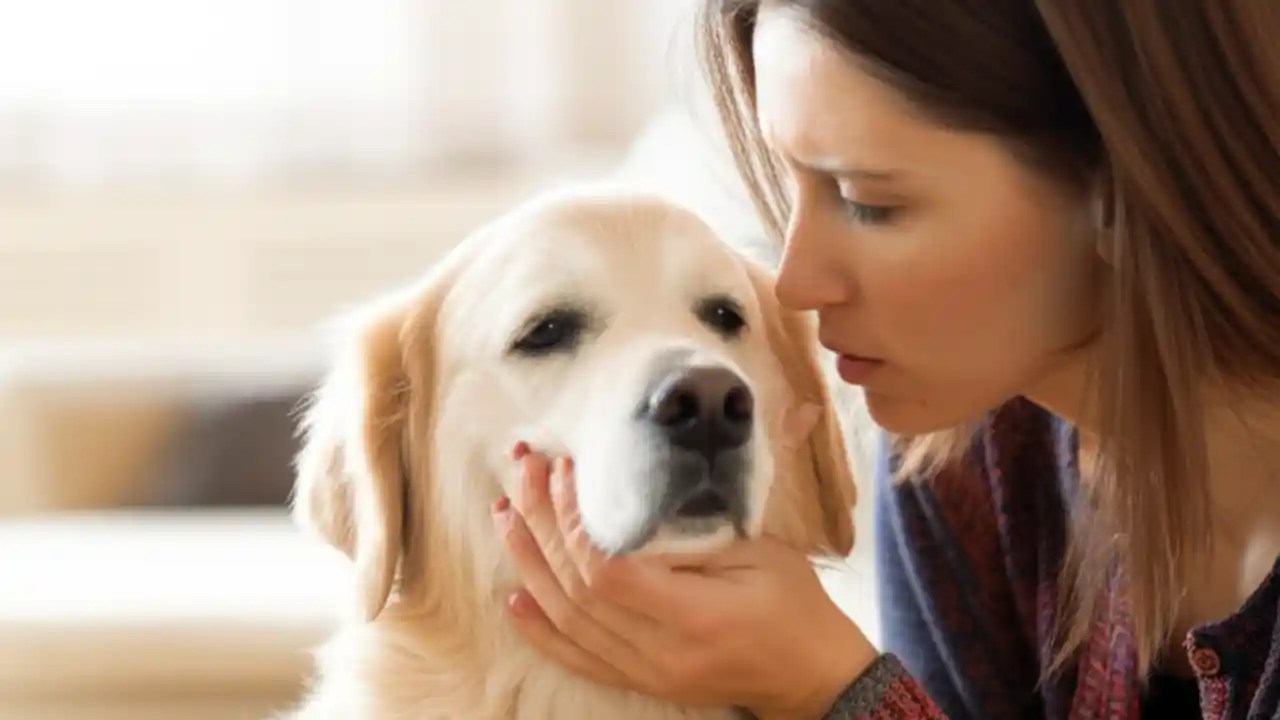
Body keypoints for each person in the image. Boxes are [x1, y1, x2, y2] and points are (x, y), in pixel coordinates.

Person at [488, 1, 1280, 718]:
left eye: (869, 201)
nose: (795, 284)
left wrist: (832, 691)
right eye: (790, 184)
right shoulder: (961, 454)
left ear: (1126, 182)